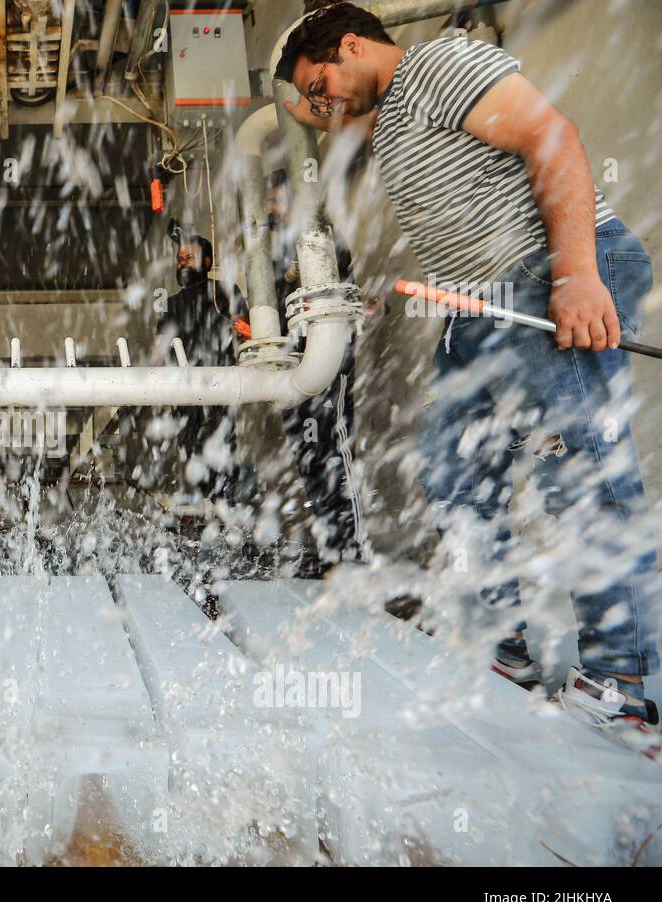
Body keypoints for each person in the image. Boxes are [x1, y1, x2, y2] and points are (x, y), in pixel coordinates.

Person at [276, 2, 659, 748]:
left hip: (543, 277)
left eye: (321, 81)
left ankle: (623, 687)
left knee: (580, 474)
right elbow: (320, 115)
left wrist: (577, 274)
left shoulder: (439, 64)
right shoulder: (379, 113)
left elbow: (553, 136)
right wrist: (298, 91)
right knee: (452, 473)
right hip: (476, 304)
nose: (320, 104)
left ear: (353, 45)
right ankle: (505, 646)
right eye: (310, 96)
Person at [232, 173, 361, 571]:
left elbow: (337, 265)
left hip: (327, 369)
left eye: (276, 201)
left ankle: (350, 555)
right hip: (294, 372)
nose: (270, 209)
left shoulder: (321, 237)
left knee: (334, 458)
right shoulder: (273, 256)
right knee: (308, 462)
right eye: (266, 203)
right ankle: (329, 552)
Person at [162, 228, 238, 500]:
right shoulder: (170, 304)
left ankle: (229, 505)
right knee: (193, 452)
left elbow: (245, 327)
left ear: (206, 262)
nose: (182, 261)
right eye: (180, 257)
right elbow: (163, 348)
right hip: (183, 392)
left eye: (189, 256)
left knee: (217, 449)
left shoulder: (222, 291)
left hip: (218, 384)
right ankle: (217, 507)